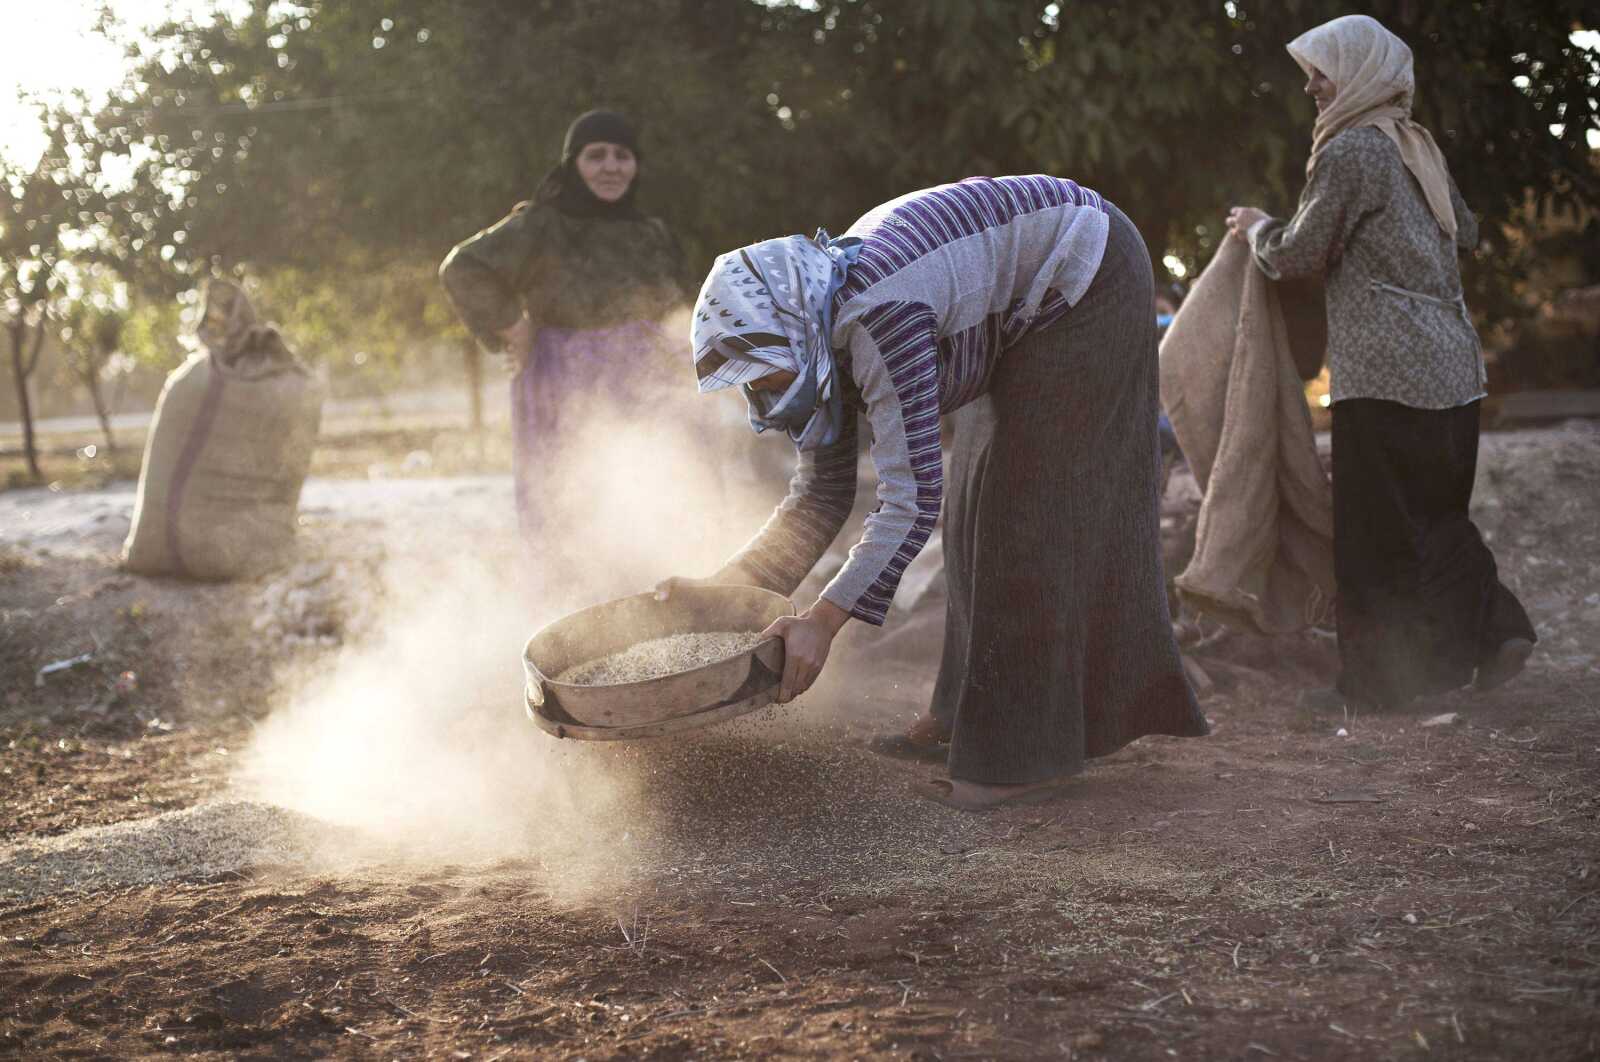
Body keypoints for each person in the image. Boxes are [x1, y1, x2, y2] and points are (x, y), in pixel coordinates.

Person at [664, 175, 1209, 810]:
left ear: (793, 329)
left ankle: (1024, 758)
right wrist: (729, 590)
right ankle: (958, 715)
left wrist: (820, 623)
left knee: (1023, 520)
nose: (762, 394)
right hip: (1009, 308)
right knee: (970, 512)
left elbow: (910, 500)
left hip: (1085, 275)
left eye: (765, 373)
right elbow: (821, 493)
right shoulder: (814, 328)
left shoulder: (878, 317)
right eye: (750, 382)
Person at [1225, 15, 1536, 710]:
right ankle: (1498, 634)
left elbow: (1298, 255)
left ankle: (1375, 687)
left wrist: (1257, 228)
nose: (1311, 86)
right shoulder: (1417, 147)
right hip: (1453, 368)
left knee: (1374, 535)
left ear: (1361, 73)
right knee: (1439, 521)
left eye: (1322, 71)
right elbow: (1468, 231)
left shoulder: (1353, 151)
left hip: (1384, 373)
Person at [439, 109, 685, 543]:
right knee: (571, 511)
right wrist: (513, 327)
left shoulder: (653, 233)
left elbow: (678, 307)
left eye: (622, 155)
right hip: (563, 382)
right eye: (596, 155)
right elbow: (463, 268)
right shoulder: (542, 224)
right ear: (573, 164)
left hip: (648, 387)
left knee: (655, 507)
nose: (611, 166)